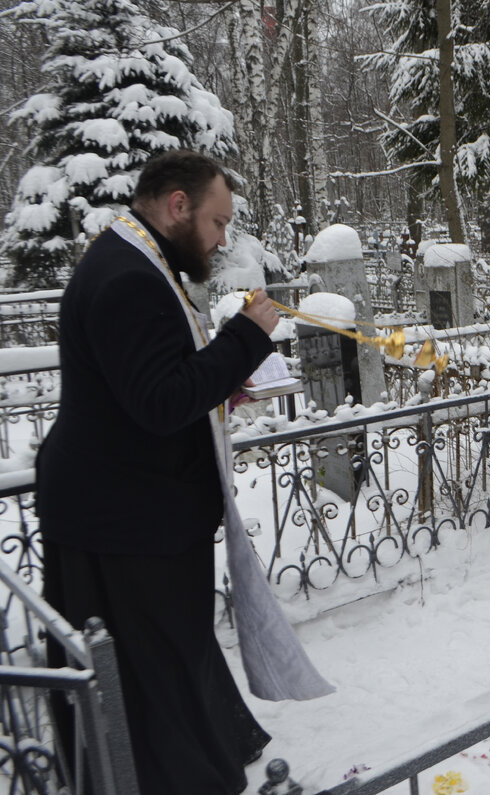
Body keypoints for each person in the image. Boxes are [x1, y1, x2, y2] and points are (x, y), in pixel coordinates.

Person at [36, 150, 280, 794]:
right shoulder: (129, 278)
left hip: (124, 511)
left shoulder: (139, 260)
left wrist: (220, 383)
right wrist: (245, 340)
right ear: (178, 206)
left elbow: (146, 385)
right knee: (154, 676)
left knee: (164, 667)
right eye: (218, 222)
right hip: (125, 522)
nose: (223, 238)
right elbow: (159, 402)